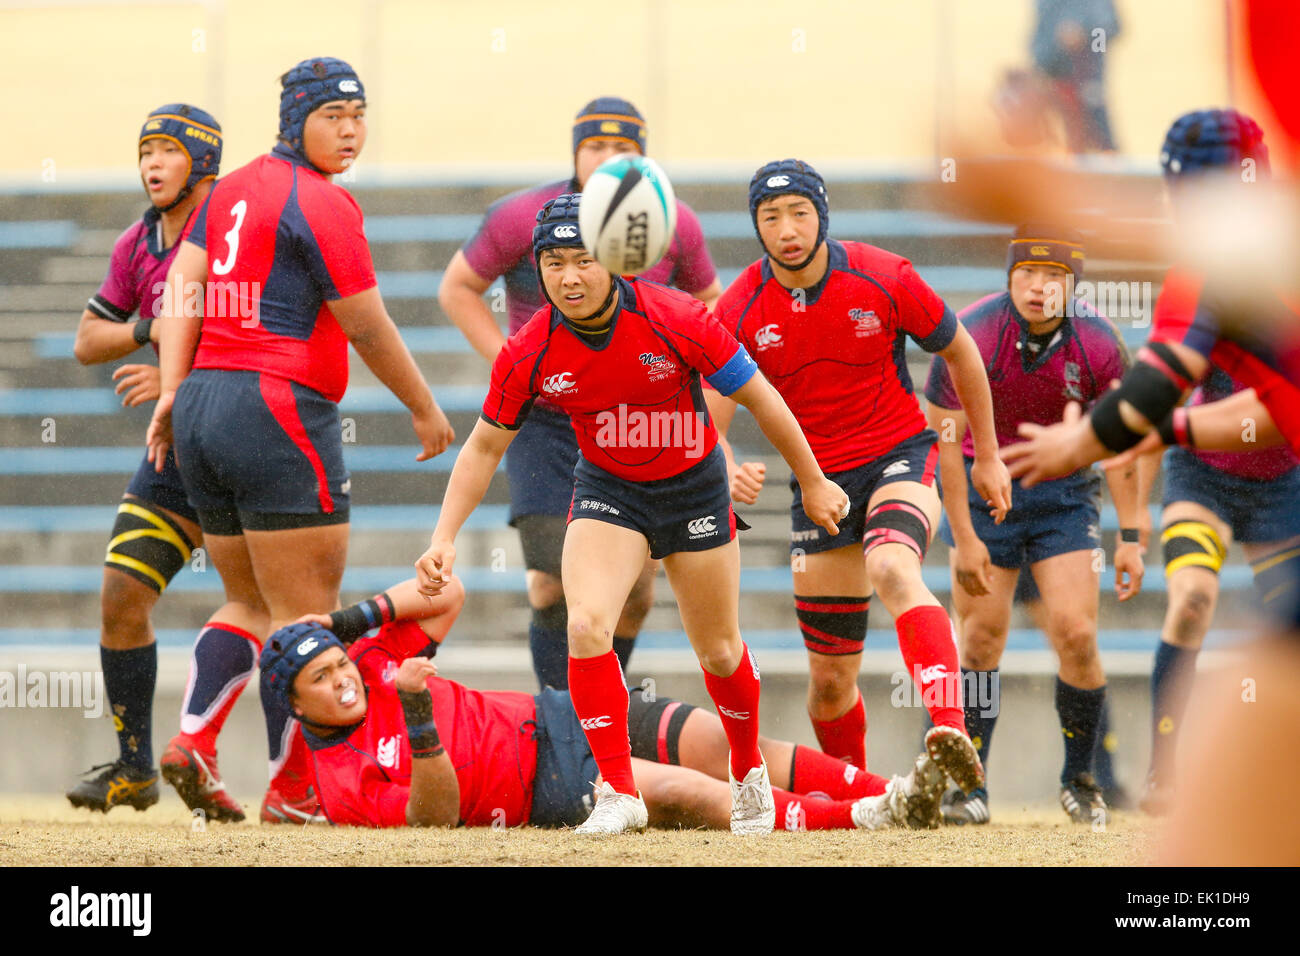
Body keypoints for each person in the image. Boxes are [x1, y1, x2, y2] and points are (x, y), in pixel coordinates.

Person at [415, 193, 850, 835]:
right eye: (553, 262)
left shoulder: (676, 317)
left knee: (722, 651)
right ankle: (619, 792)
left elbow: (761, 396)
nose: (568, 277)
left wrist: (813, 481)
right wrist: (443, 536)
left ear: (614, 259)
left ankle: (749, 772)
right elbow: (483, 446)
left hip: (694, 493)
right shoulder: (529, 350)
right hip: (609, 492)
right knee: (586, 624)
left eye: (584, 260)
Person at [144, 57, 455, 824]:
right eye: (331, 117)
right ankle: (292, 793)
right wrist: (423, 406)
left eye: (358, 115)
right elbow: (366, 324)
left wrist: (175, 390)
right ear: (294, 120)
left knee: (246, 600)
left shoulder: (224, 194)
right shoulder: (321, 202)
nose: (349, 131)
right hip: (277, 407)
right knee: (309, 618)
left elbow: (182, 291)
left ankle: (192, 737)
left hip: (206, 405)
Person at [708, 160, 1010, 794]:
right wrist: (727, 463)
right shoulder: (739, 305)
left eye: (799, 213)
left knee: (893, 567)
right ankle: (875, 796)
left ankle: (950, 728)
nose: (787, 229)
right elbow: (710, 408)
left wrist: (986, 454)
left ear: (822, 215)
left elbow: (960, 351)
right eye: (770, 218)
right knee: (829, 684)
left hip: (900, 453)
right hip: (818, 485)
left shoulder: (882, 274)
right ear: (757, 229)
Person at [438, 97, 722, 692]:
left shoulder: (671, 221)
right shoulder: (523, 216)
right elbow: (459, 286)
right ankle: (562, 721)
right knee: (551, 581)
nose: (609, 160)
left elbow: (713, 303)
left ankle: (600, 720)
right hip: (547, 424)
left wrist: (695, 400)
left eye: (624, 150)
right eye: (596, 147)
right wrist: (514, 366)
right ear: (574, 152)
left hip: (637, 423)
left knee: (636, 595)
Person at [259, 607, 947, 831]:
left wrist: (347, 622)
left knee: (721, 740)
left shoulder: (375, 657)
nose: (344, 678)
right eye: (321, 677)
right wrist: (418, 718)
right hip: (544, 782)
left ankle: (890, 788)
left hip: (555, 714)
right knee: (686, 791)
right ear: (294, 703)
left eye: (339, 662)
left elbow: (444, 598)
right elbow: (434, 817)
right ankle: (867, 817)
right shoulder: (340, 777)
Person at [922, 225, 1143, 824]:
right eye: (1027, 274)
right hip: (984, 494)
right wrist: (963, 538)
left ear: (1072, 285)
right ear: (1009, 277)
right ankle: (971, 787)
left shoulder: (1099, 344)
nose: (1039, 288)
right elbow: (943, 445)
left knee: (1076, 634)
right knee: (980, 641)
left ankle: (1081, 779)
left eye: (1053, 277)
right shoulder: (970, 333)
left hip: (1065, 497)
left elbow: (1121, 447)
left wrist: (1130, 537)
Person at [64, 104, 221, 813]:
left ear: (203, 161)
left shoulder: (230, 233)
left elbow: (257, 327)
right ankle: (135, 765)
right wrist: (154, 330)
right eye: (145, 150)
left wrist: (179, 376)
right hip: (175, 450)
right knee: (121, 595)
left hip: (246, 437)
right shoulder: (137, 243)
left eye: (168, 150)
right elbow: (87, 340)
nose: (152, 164)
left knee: (287, 612)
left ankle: (307, 776)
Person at [1134, 366, 1300, 814]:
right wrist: (1135, 519)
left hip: (1284, 486)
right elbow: (1160, 411)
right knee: (1191, 601)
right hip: (1203, 477)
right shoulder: (1218, 324)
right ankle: (1162, 770)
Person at [1030, 0, 1121, 152]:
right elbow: (1039, 35)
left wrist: (1084, 36)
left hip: (1087, 82)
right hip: (1055, 79)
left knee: (1100, 139)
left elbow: (1109, 28)